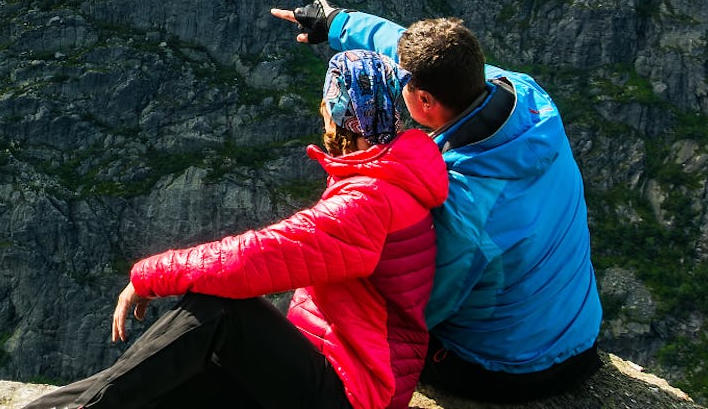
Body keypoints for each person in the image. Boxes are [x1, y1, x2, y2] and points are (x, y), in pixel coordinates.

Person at [24, 50, 447, 409]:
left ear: (345, 113)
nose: (322, 113)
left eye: (328, 104)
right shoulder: (386, 176)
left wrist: (147, 276)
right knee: (175, 381)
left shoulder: (370, 199)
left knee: (225, 310)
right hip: (335, 367)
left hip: (353, 392)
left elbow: (255, 256)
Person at [271, 1, 604, 401]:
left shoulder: (462, 204)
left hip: (509, 369)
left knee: (335, 310)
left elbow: (416, 311)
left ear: (425, 101)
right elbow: (408, 47)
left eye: (403, 84)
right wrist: (337, 21)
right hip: (579, 334)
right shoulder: (527, 95)